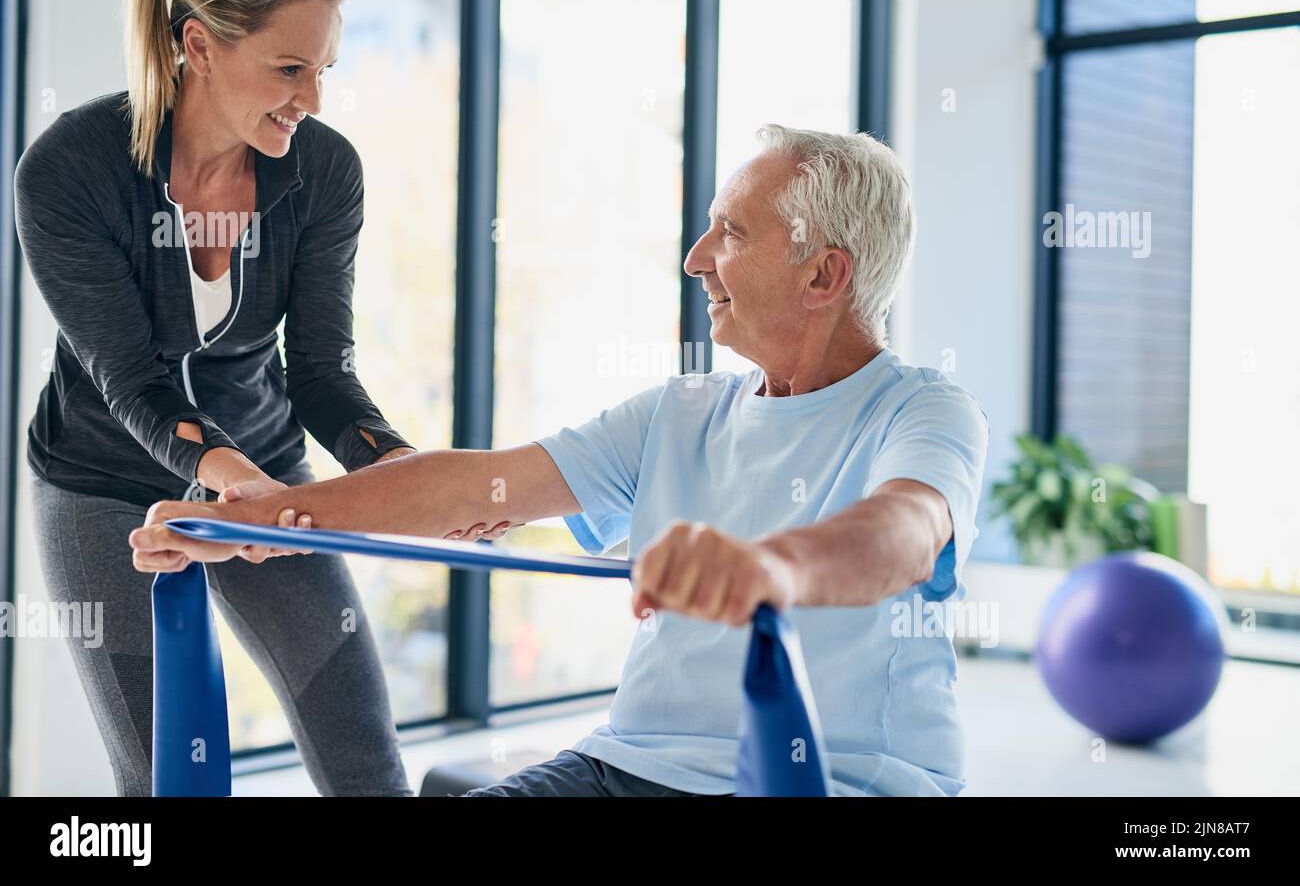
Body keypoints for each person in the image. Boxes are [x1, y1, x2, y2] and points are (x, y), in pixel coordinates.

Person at [132, 125, 991, 797]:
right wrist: (257, 517)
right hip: (632, 768)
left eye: (730, 232)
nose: (696, 258)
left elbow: (905, 532)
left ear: (822, 275)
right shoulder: (682, 410)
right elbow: (479, 481)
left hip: (846, 777)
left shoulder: (923, 407)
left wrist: (769, 565)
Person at [13, 0, 450, 796]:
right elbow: (131, 380)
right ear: (198, 46)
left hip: (266, 469)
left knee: (365, 761)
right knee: (160, 781)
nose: (313, 99)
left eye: (324, 69)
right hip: (104, 484)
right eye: (291, 70)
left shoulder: (324, 172)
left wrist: (404, 471)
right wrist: (231, 479)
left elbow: (320, 371)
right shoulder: (70, 168)